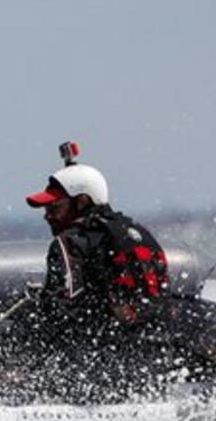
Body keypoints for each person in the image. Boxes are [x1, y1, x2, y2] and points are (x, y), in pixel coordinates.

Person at [21, 143, 170, 397]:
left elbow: (61, 308)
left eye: (54, 208)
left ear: (81, 201)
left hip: (97, 368)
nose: (47, 216)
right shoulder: (139, 233)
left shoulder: (67, 242)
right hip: (151, 363)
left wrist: (26, 330)